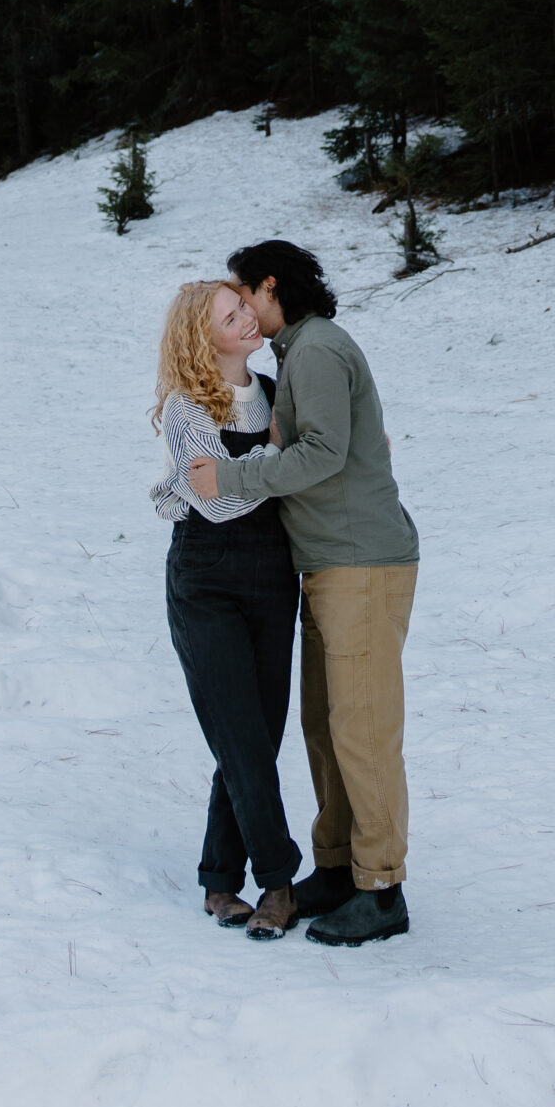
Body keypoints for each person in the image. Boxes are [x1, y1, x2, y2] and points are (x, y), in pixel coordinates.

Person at [186, 239, 418, 947]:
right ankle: (338, 867)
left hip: (360, 563)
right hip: (324, 564)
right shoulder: (300, 354)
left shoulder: (315, 350)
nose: (243, 312)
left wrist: (226, 479)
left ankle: (380, 889)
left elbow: (321, 453)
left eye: (242, 295)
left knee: (361, 730)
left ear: (269, 285)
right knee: (325, 727)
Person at [152, 280, 301, 939]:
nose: (247, 319)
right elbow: (216, 502)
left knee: (257, 736)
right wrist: (280, 460)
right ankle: (277, 880)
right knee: (238, 734)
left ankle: (218, 879)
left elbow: (280, 477)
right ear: (200, 336)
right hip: (205, 576)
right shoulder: (188, 409)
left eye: (244, 308)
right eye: (229, 315)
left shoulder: (274, 392)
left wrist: (270, 464)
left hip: (272, 573)